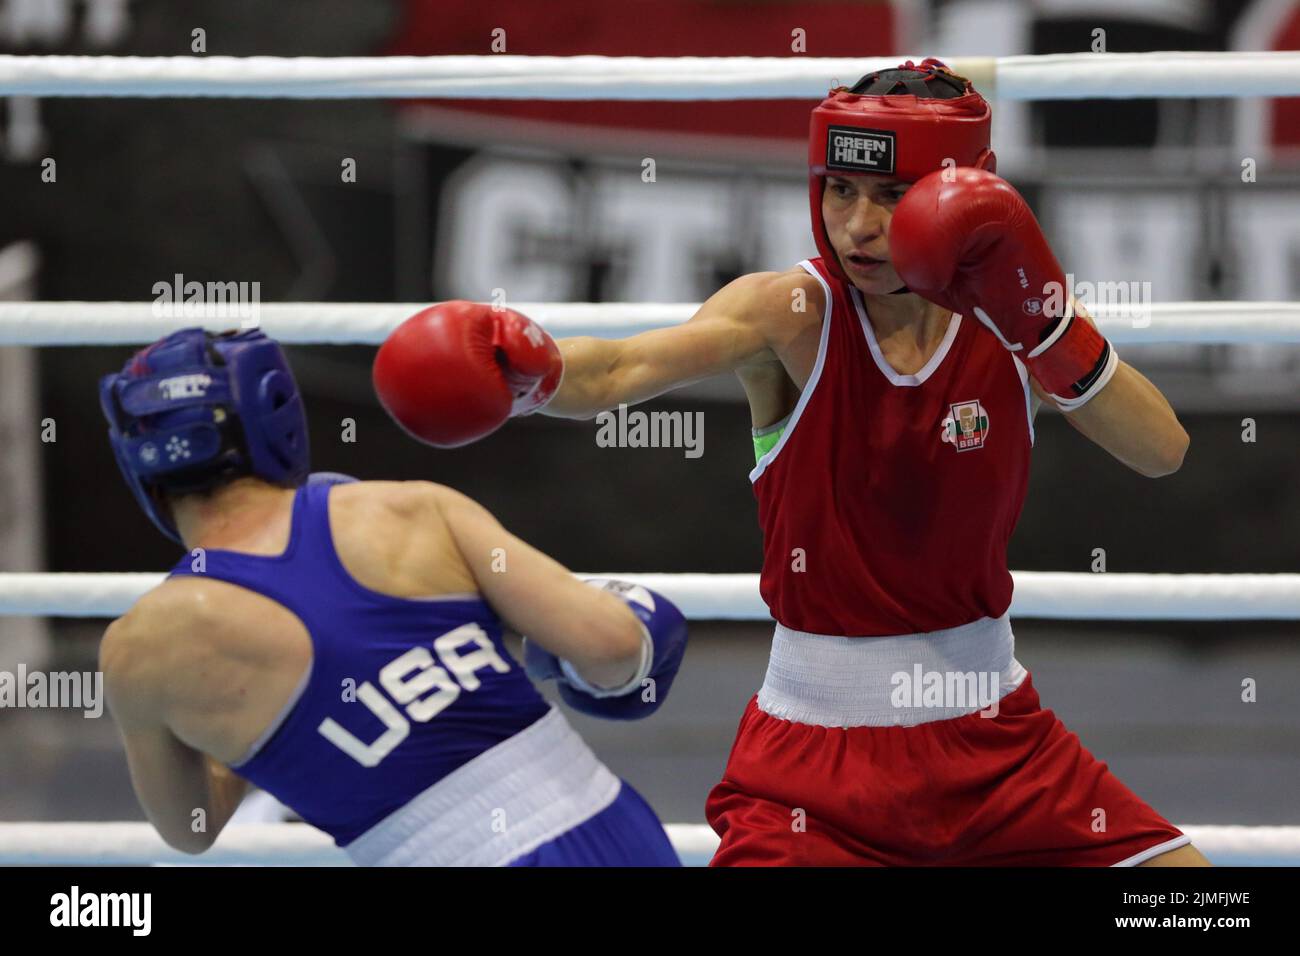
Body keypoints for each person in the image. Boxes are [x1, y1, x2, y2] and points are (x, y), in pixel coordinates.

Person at [372, 58, 1209, 866]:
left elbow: (1163, 451)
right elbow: (624, 368)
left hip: (1000, 746)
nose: (859, 225)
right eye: (841, 190)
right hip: (816, 770)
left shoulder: (1009, 316)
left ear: (963, 197)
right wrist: (534, 372)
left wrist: (1048, 325)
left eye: (892, 195)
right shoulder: (793, 313)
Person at [97, 327, 686, 867]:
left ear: (140, 470)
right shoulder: (407, 511)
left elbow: (190, 829)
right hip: (611, 833)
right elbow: (612, 647)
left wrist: (267, 729)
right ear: (272, 412)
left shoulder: (137, 651)